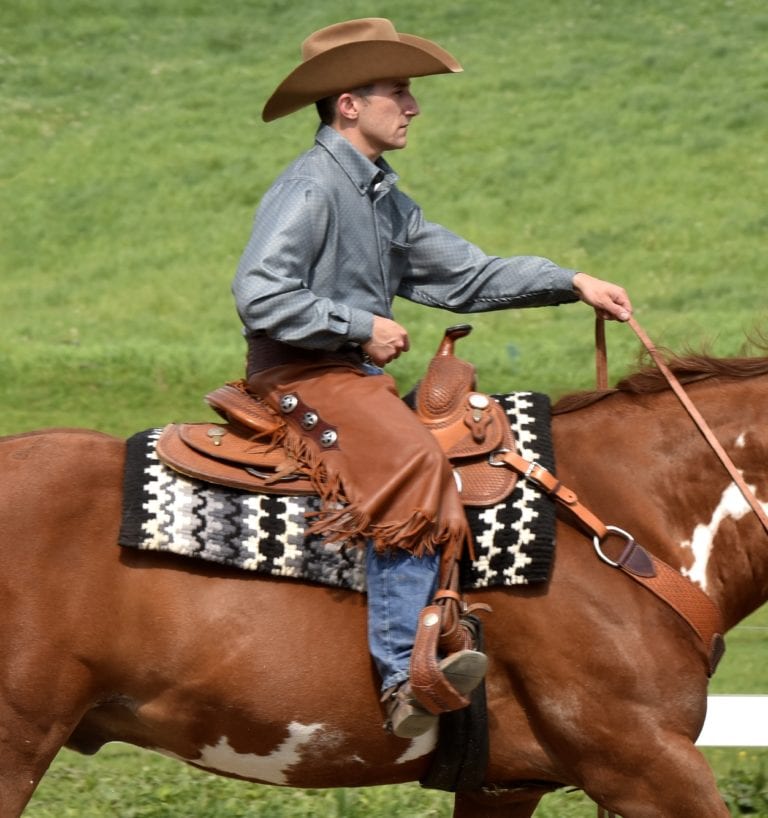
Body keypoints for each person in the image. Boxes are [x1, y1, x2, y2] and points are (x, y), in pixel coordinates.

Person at [232, 17, 632, 738]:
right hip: (304, 376)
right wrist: (361, 325)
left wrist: (571, 280)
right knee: (416, 466)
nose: (412, 106)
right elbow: (260, 292)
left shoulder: (381, 196)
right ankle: (403, 675)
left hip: (348, 376)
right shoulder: (313, 186)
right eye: (399, 92)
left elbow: (470, 275)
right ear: (349, 103)